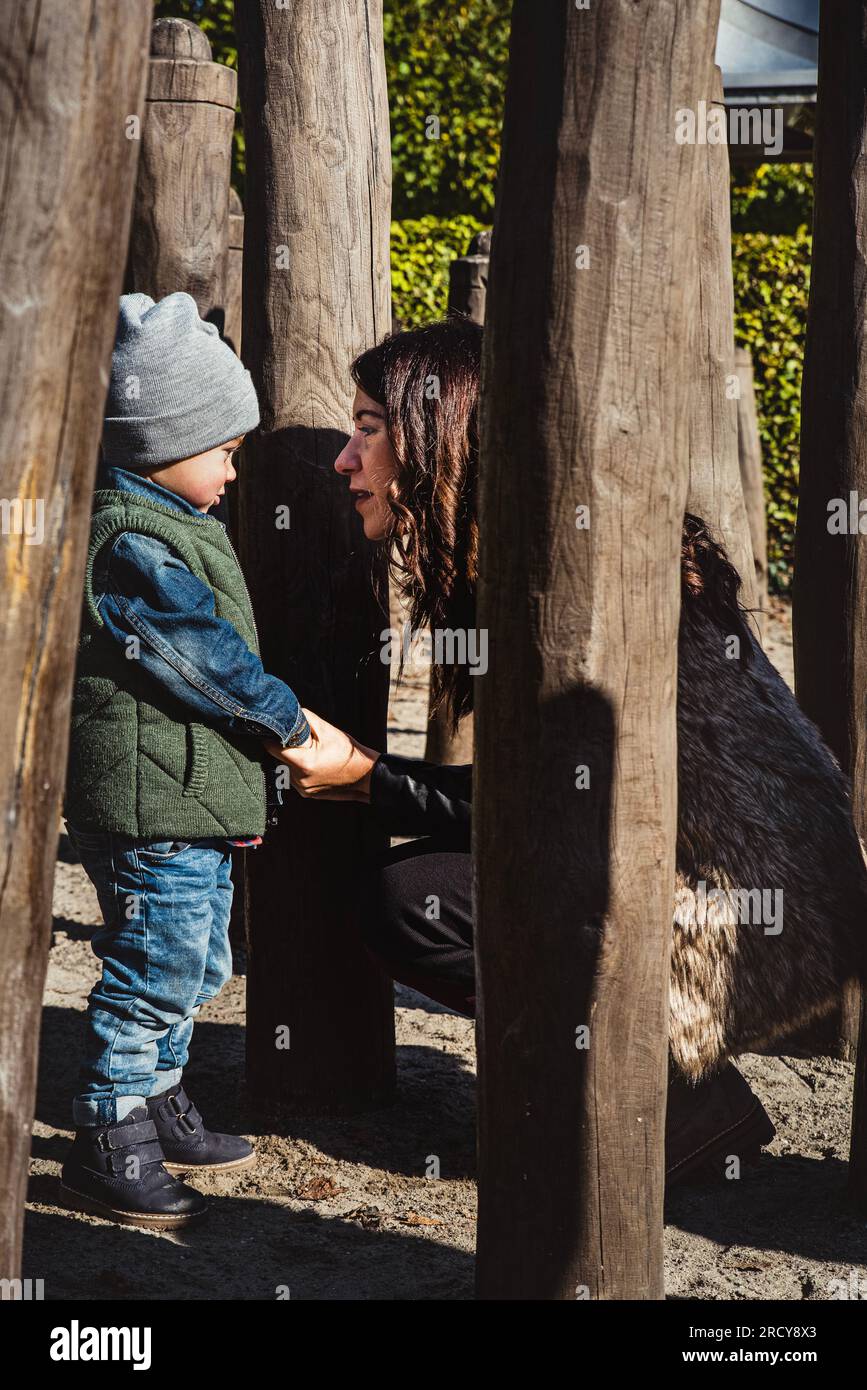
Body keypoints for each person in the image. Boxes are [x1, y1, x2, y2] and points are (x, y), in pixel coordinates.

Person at [269, 315, 867, 1186]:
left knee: (408, 901)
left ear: (439, 438)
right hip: (743, 882)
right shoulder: (531, 550)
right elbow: (547, 793)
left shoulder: (552, 585)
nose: (343, 462)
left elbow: (546, 804)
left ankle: (672, 1108)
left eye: (368, 431)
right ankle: (682, 1100)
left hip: (751, 921)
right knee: (432, 883)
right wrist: (374, 778)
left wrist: (367, 777)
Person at [61, 292, 311, 1228]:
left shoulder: (172, 522)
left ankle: (159, 1096)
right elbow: (194, 654)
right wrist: (285, 721)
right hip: (148, 805)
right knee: (153, 963)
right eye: (225, 451)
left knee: (198, 959)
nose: (234, 472)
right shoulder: (132, 539)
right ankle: (108, 1127)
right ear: (161, 443)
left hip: (187, 804)